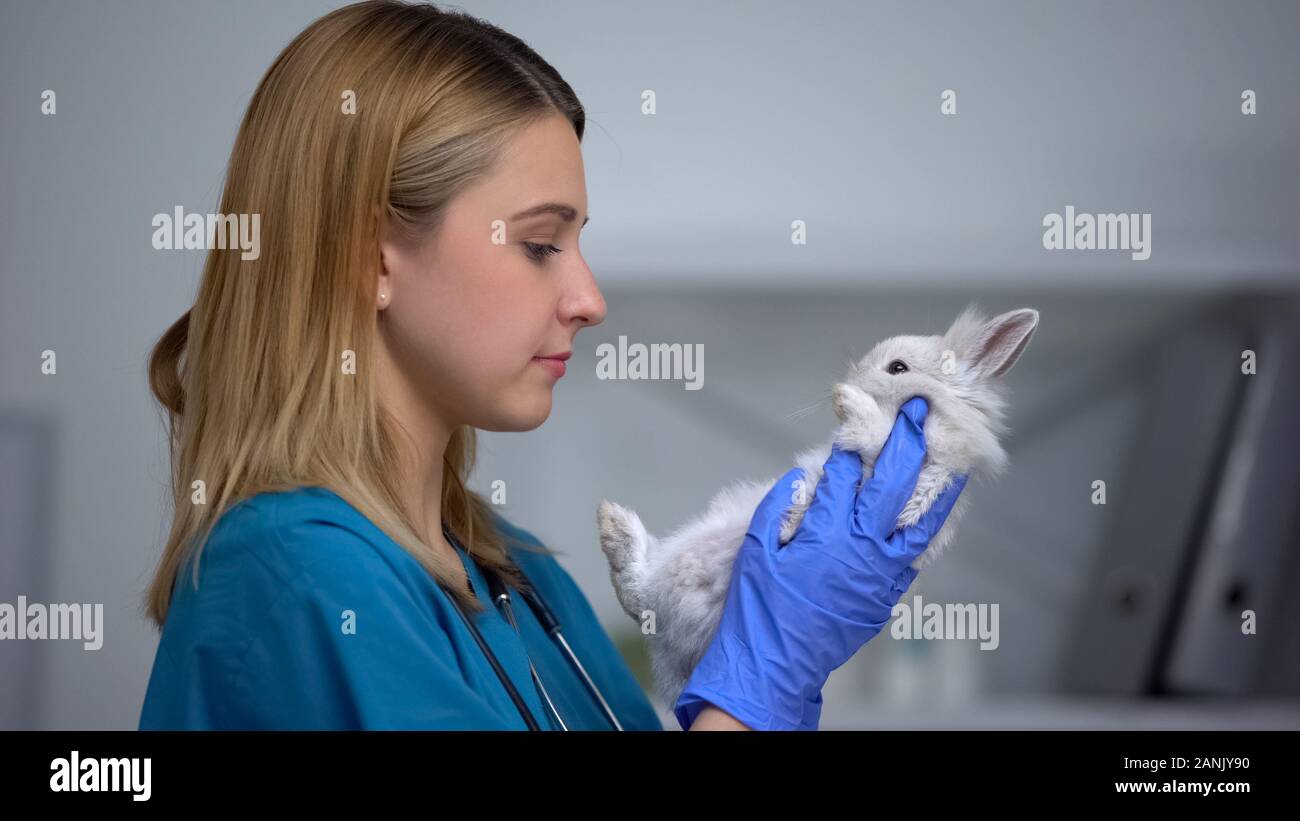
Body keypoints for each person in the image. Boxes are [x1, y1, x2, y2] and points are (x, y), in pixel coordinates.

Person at [138, 0, 967, 731]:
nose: (589, 297)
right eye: (539, 244)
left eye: (578, 243)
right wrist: (760, 681)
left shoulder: (518, 573)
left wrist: (765, 659)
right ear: (370, 257)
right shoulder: (296, 580)